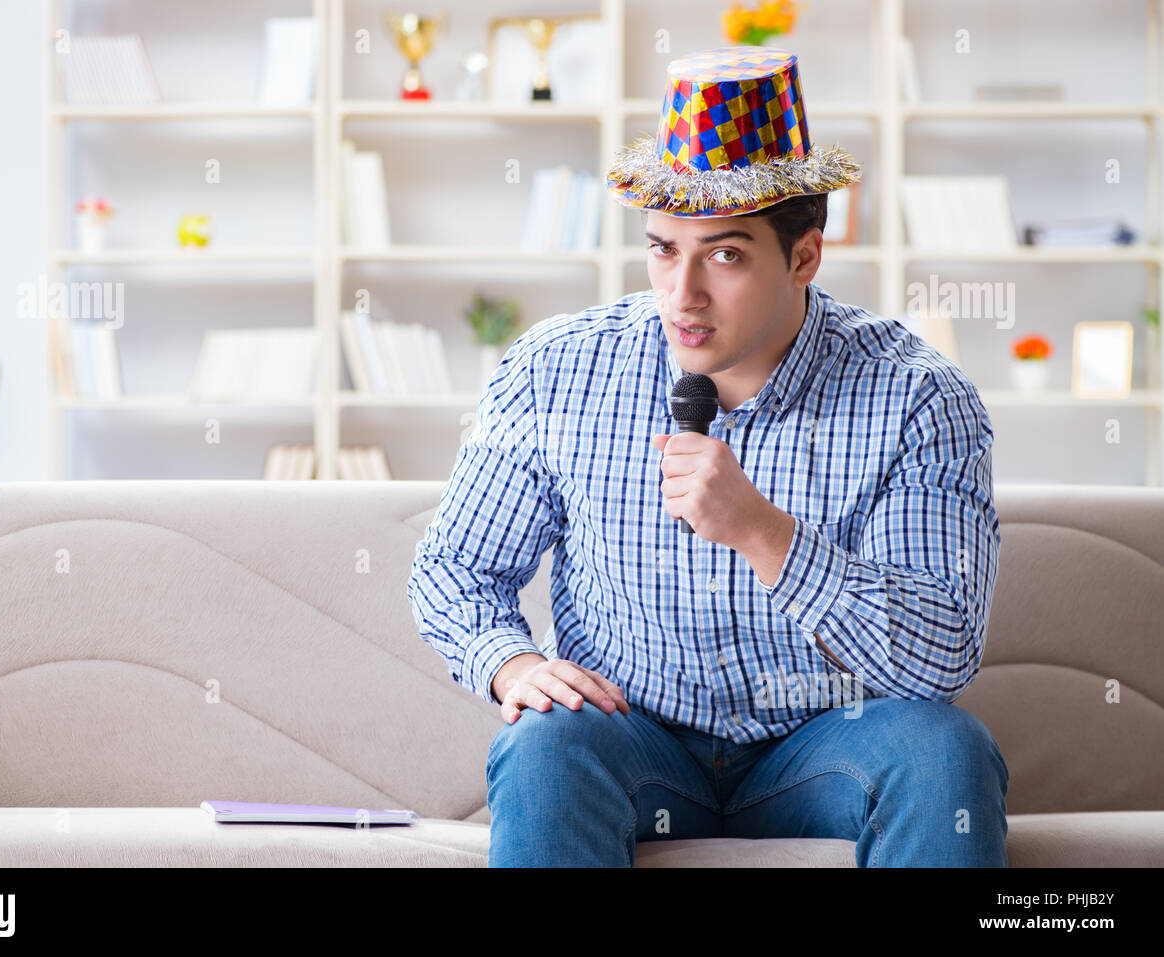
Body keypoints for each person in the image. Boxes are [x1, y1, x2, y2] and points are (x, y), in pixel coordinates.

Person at [407, 46, 1008, 867]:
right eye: (662, 248)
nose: (681, 293)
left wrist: (767, 533)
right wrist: (508, 662)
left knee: (944, 748)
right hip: (633, 738)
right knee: (544, 745)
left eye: (723, 255)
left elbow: (941, 653)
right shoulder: (557, 368)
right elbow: (455, 569)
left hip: (826, 738)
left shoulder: (917, 396)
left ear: (803, 255)